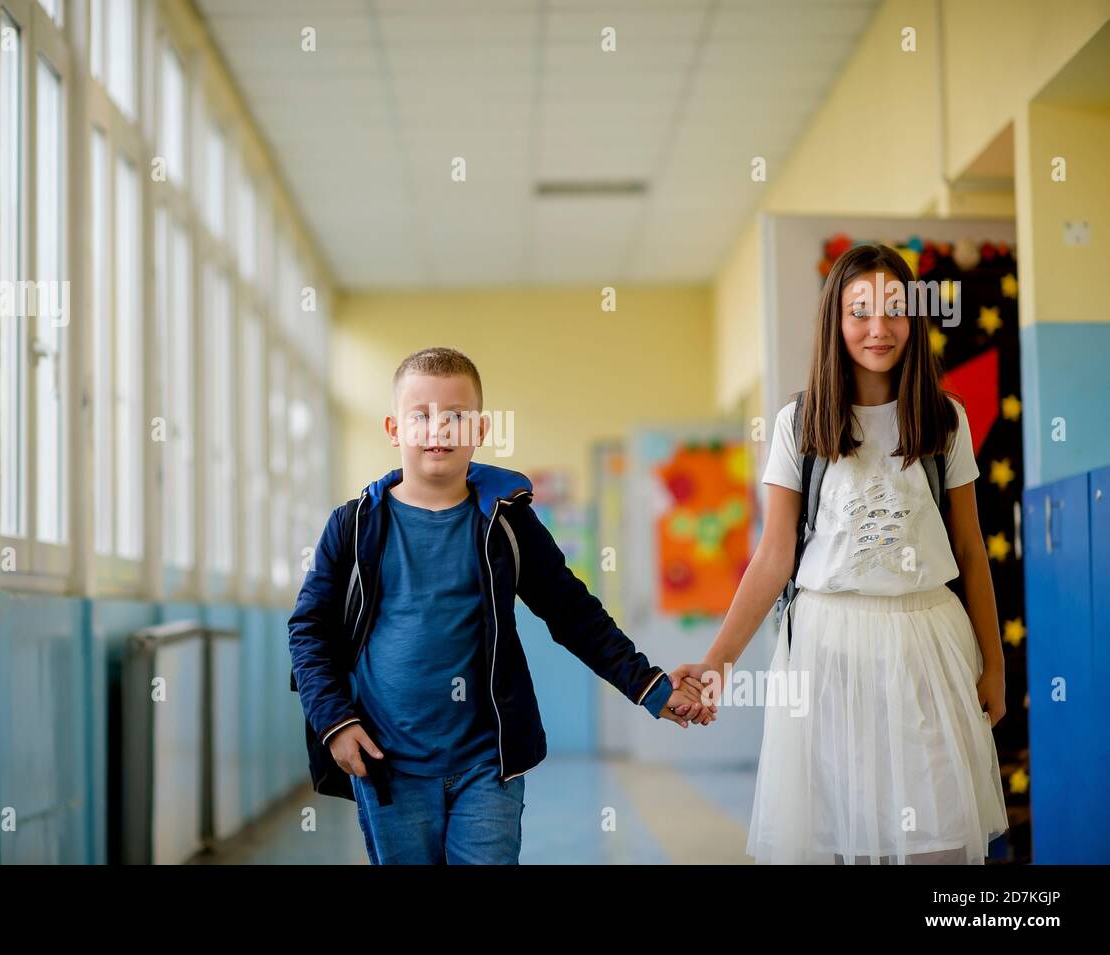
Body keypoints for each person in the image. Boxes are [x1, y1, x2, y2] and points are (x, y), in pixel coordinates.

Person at [289, 346, 709, 864]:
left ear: (480, 430)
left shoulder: (507, 525)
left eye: (456, 416)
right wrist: (334, 721)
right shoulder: (353, 527)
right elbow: (308, 629)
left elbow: (573, 613)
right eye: (420, 415)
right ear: (394, 430)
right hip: (387, 763)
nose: (438, 428)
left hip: (489, 764)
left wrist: (648, 686)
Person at [671, 244, 1008, 864]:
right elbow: (774, 558)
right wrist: (718, 662)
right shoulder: (799, 424)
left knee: (938, 836)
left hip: (928, 642)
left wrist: (995, 663)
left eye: (893, 310)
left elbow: (970, 547)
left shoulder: (946, 419)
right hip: (828, 650)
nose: (878, 329)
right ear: (835, 320)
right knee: (838, 833)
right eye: (859, 311)